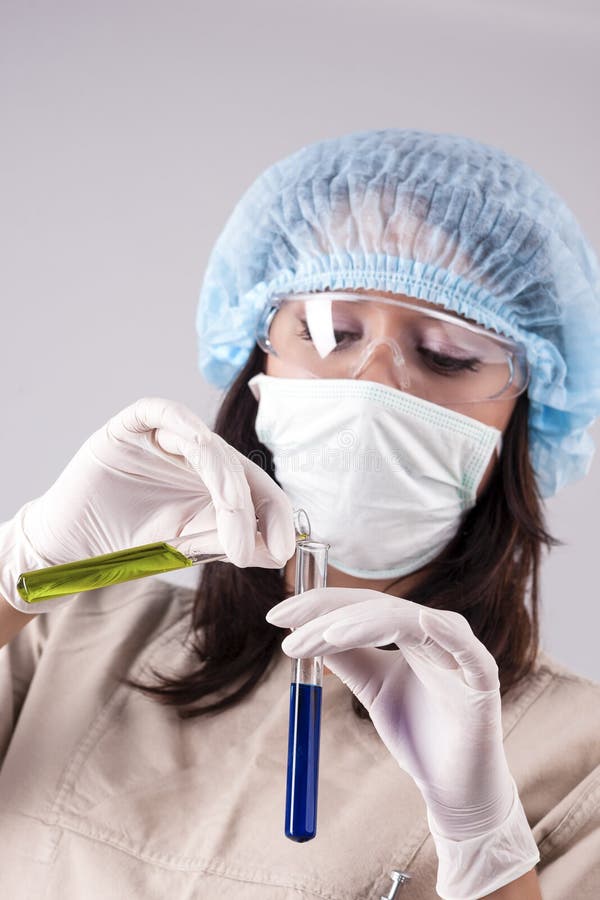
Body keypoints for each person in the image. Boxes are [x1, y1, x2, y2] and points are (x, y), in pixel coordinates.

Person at [1, 129, 599, 899]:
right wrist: (23, 568)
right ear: (260, 364)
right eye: (329, 331)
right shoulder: (68, 638)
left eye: (448, 352)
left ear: (520, 423)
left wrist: (485, 842)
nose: (374, 378)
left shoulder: (579, 755)